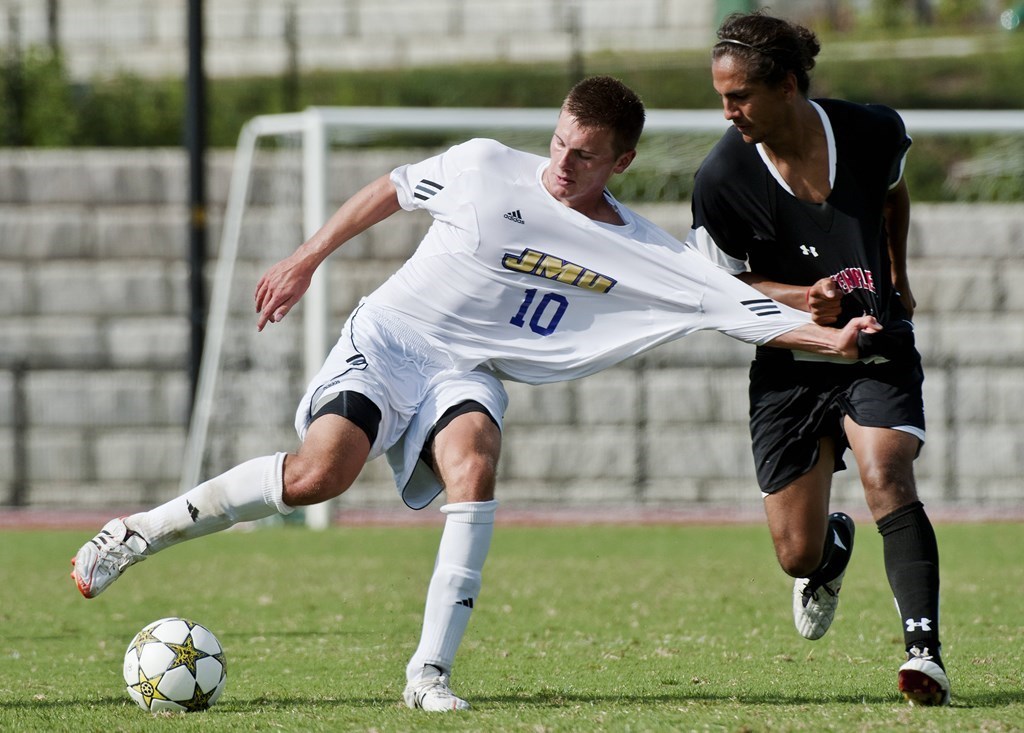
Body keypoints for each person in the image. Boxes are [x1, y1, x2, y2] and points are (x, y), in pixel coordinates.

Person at [72, 76, 880, 712]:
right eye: (560, 143)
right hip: (388, 341)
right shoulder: (484, 165)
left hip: (464, 372)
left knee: (476, 461)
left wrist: (831, 339)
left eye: (585, 156)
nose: (562, 164)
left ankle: (428, 671)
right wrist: (305, 258)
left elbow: (732, 307)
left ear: (622, 163)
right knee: (319, 476)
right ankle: (138, 533)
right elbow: (392, 187)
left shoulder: (639, 249)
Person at [687, 11, 948, 706]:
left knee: (885, 469)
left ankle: (925, 652)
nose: (728, 111)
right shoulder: (721, 178)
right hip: (791, 362)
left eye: (739, 95)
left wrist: (896, 272)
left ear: (789, 86)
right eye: (721, 95)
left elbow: (893, 191)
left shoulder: (870, 131)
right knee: (794, 554)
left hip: (875, 345)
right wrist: (804, 299)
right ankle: (830, 549)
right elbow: (717, 288)